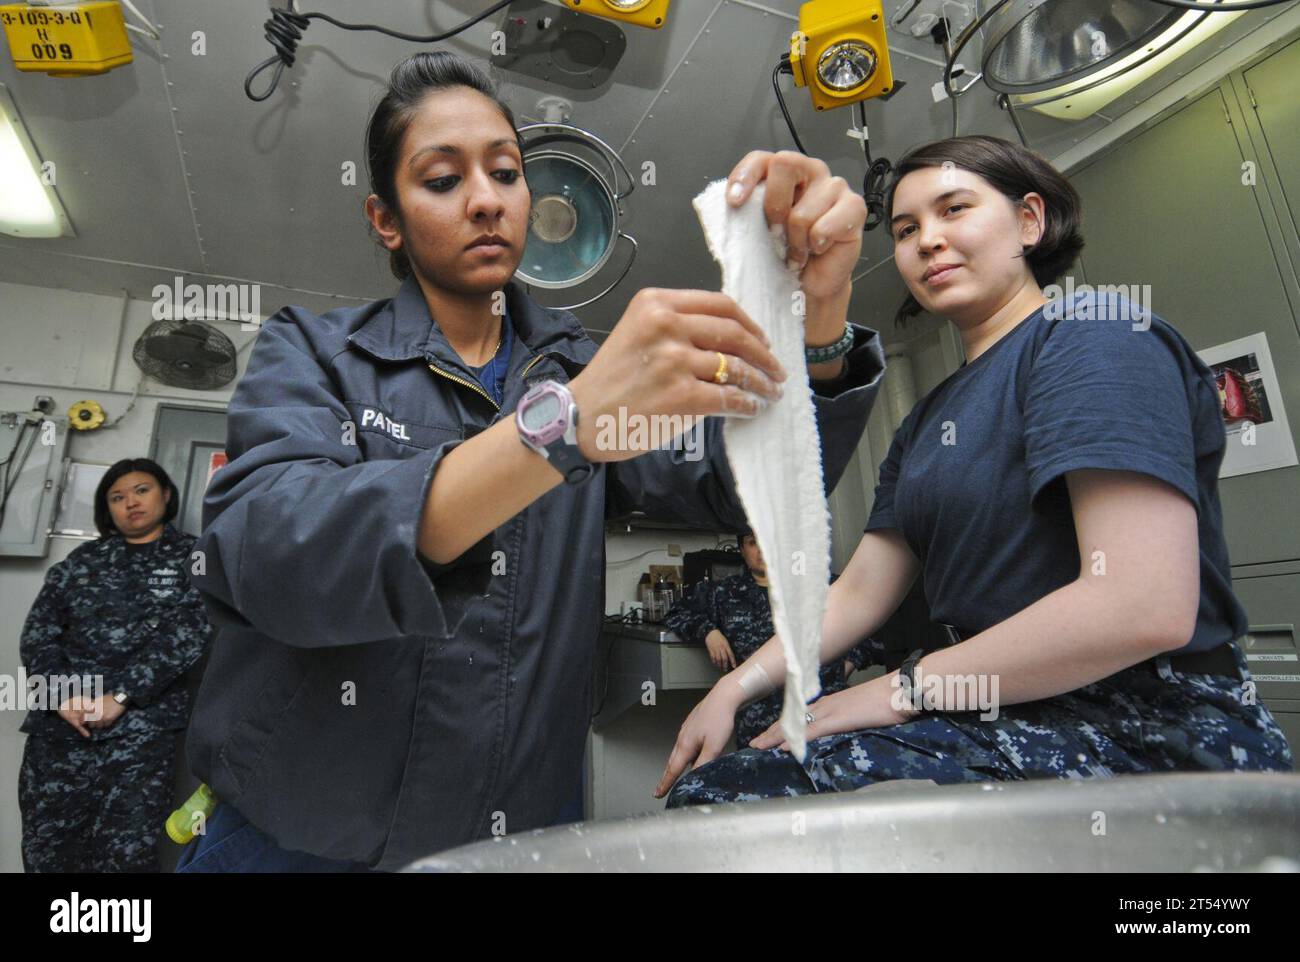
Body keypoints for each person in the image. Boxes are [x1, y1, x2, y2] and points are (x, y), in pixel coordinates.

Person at [177, 50, 887, 872]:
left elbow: (738, 485)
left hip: (514, 832)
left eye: (507, 173)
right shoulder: (316, 353)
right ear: (387, 219)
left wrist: (819, 314)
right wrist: (561, 429)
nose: (486, 199)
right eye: (441, 180)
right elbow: (269, 553)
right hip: (299, 838)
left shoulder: (583, 367)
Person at [657, 135, 1293, 805]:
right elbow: (857, 595)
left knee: (736, 802)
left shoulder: (1093, 335)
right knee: (719, 791)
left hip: (1144, 725)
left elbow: (1140, 604)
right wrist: (734, 688)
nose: (927, 240)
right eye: (906, 230)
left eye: (954, 208)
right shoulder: (926, 421)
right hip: (993, 712)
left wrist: (900, 690)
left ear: (1029, 221)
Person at [18, 458, 213, 872]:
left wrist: (122, 695)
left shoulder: (192, 558)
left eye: (141, 490)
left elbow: (187, 635)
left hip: (140, 735)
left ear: (166, 495)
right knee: (48, 846)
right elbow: (39, 634)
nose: (131, 503)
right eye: (117, 497)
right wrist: (62, 697)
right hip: (61, 732)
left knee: (126, 854)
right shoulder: (80, 562)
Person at [664, 530, 872, 748]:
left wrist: (849, 663)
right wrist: (709, 632)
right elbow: (677, 611)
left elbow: (872, 614)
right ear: (742, 550)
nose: (762, 550)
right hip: (758, 725)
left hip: (822, 716)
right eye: (753, 543)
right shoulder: (724, 592)